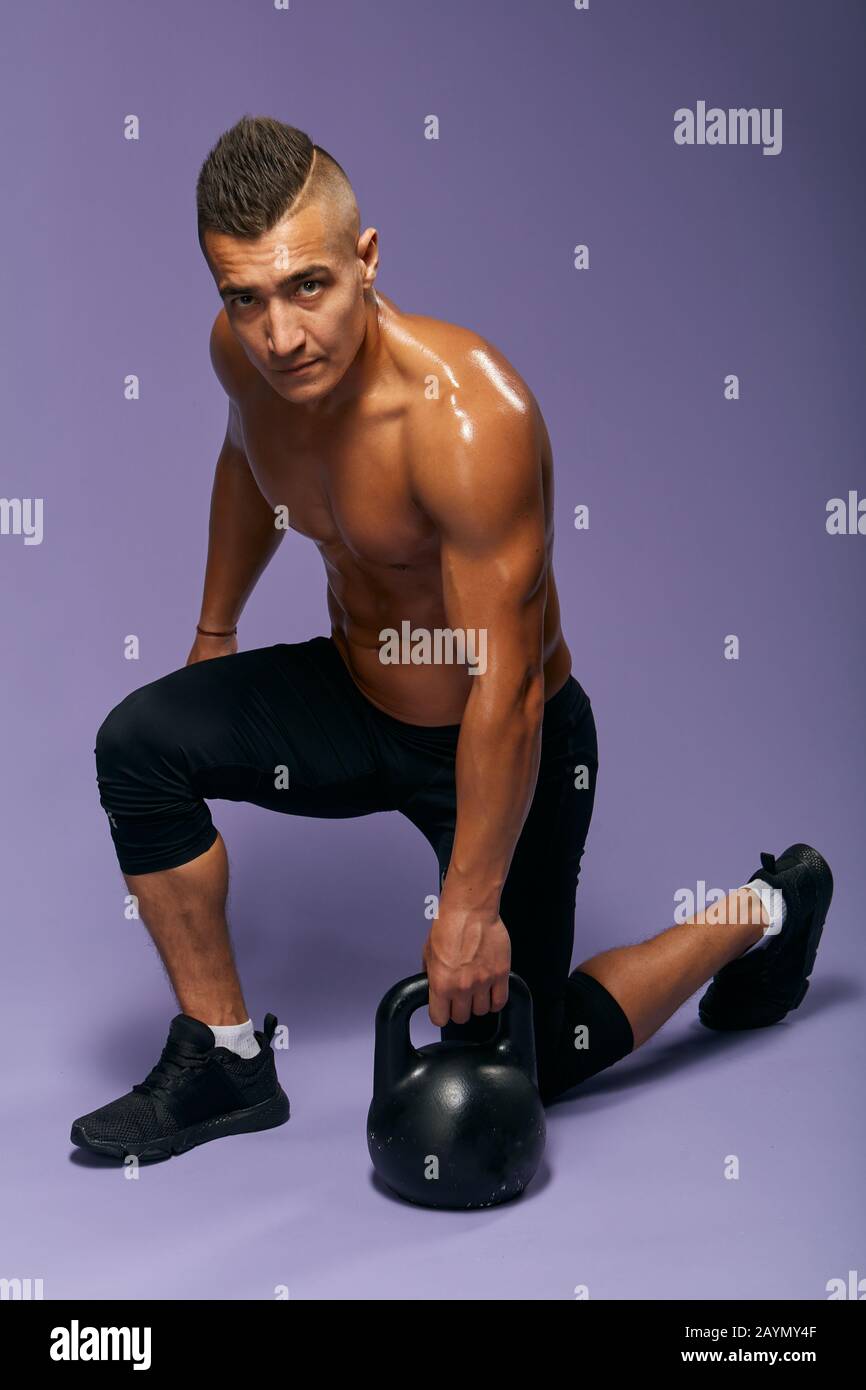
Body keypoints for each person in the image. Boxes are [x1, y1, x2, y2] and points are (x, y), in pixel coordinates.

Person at [71, 116, 833, 1162]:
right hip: (356, 696)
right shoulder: (244, 363)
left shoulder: (469, 420)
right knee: (138, 746)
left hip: (504, 737)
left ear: (366, 259)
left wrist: (469, 905)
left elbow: (505, 690)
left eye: (306, 287)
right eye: (244, 298)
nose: (279, 335)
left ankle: (763, 907)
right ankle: (225, 1059)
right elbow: (246, 464)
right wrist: (215, 629)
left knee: (526, 1059)